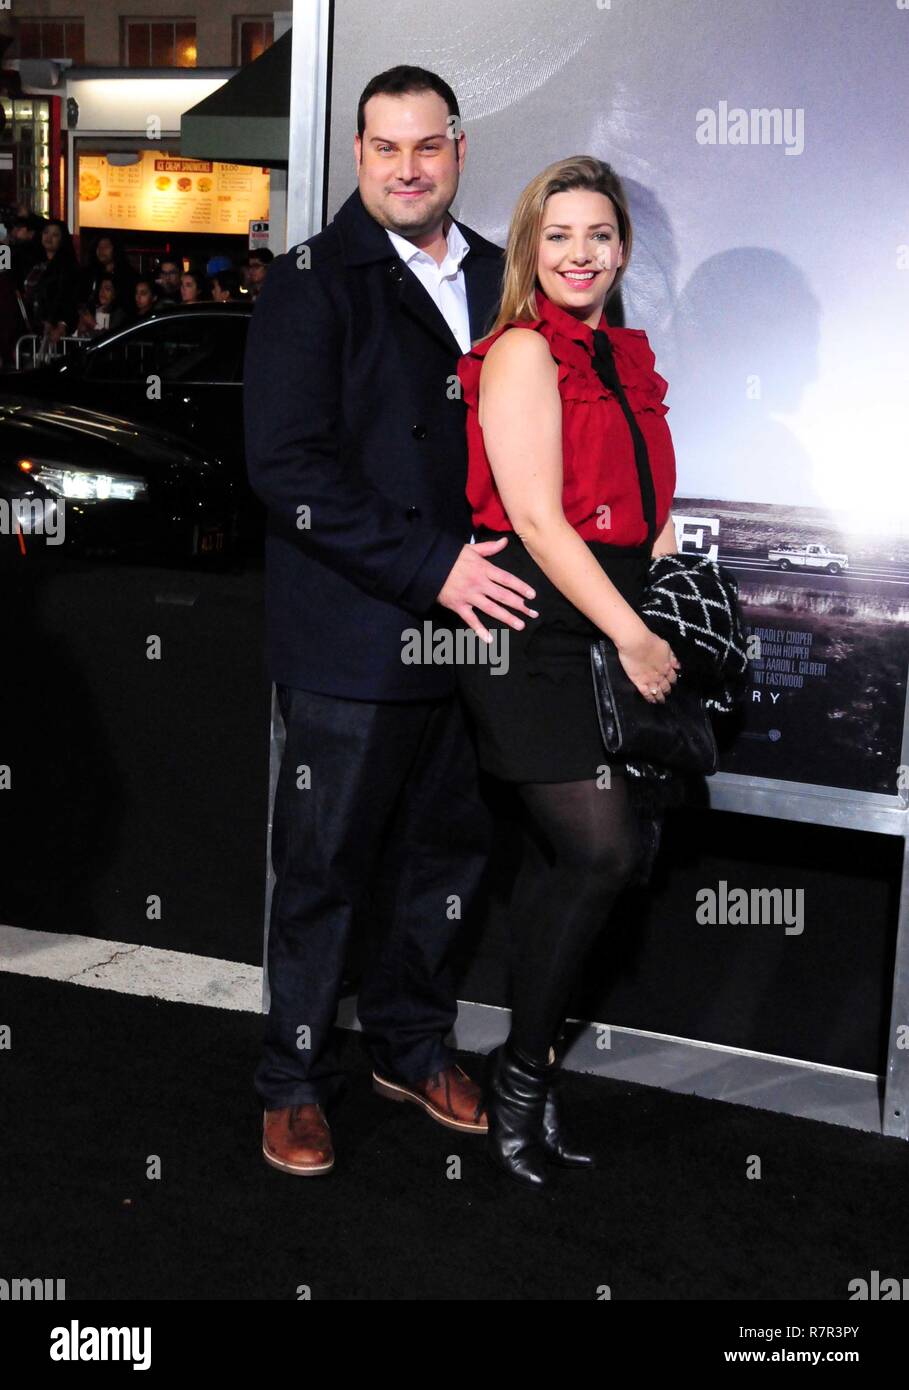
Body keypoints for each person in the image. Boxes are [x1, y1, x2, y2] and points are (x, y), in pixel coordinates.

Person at [243, 66, 535, 1177]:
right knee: (325, 870)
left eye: (427, 147)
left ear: (458, 151)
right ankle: (292, 1082)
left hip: (481, 627)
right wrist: (432, 566)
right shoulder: (313, 279)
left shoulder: (506, 277)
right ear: (357, 156)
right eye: (384, 148)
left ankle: (412, 1047)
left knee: (448, 861)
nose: (407, 167)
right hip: (355, 632)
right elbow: (284, 467)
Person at [454, 156, 680, 1188]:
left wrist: (666, 581)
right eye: (558, 235)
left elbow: (640, 504)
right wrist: (632, 634)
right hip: (539, 631)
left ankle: (528, 1074)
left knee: (578, 866)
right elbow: (539, 518)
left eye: (598, 235)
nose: (579, 253)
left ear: (622, 250)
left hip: (611, 617)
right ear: (527, 250)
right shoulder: (520, 354)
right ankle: (518, 1080)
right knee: (598, 852)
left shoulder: (621, 359)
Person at [21, 219, 81, 353]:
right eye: (46, 232)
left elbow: (70, 298)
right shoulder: (35, 262)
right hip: (31, 328)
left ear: (62, 239)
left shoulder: (68, 267)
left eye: (55, 234)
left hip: (52, 331)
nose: (49, 237)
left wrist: (62, 324)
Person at [75, 274, 129, 338]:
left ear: (115, 294)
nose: (102, 292)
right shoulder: (92, 310)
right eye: (100, 288)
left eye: (107, 289)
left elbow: (111, 337)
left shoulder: (119, 313)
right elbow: (80, 335)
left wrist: (94, 324)